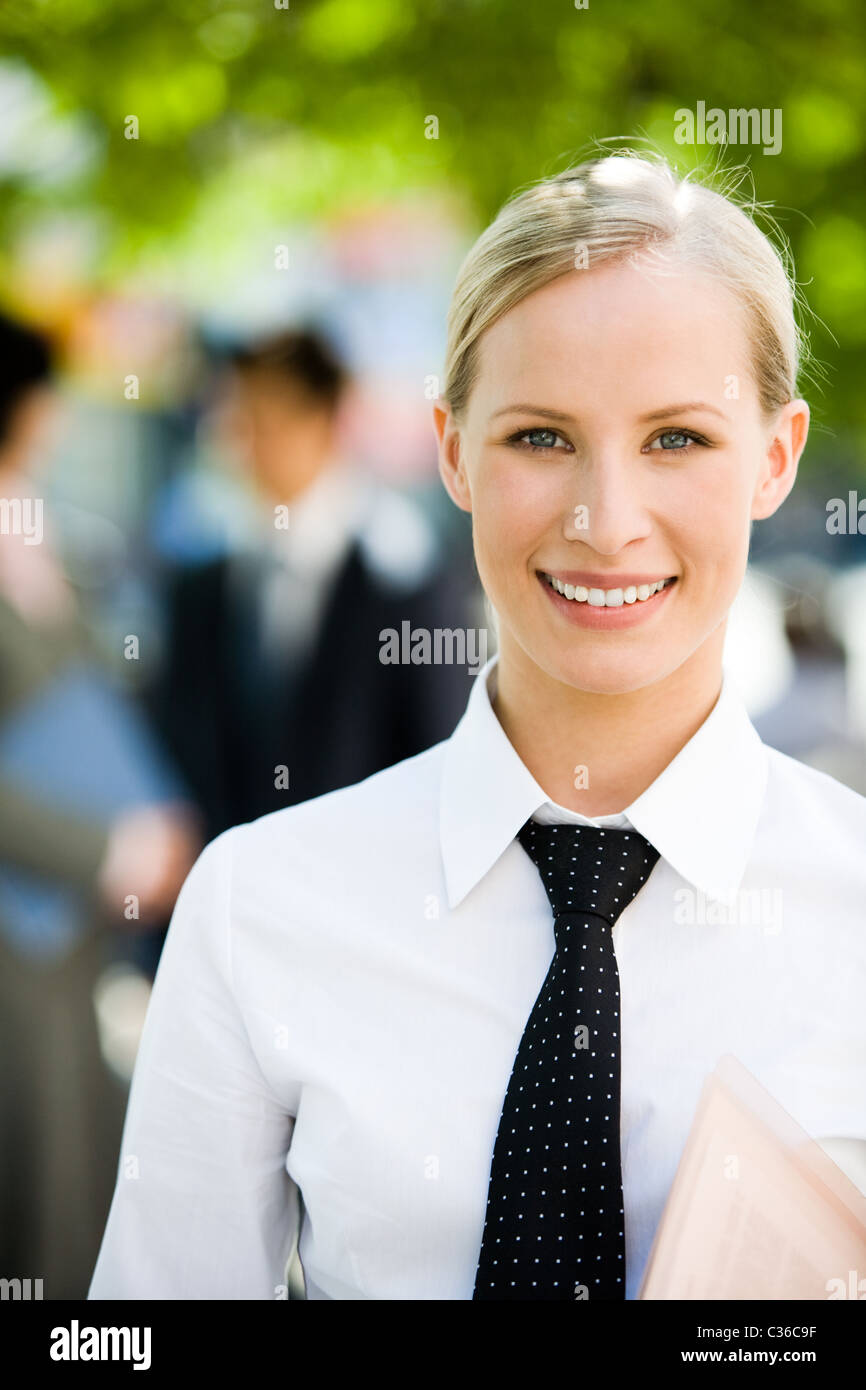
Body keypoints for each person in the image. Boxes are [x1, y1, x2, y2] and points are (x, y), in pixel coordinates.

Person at [88, 152, 865, 1301]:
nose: (606, 522)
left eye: (677, 438)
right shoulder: (261, 904)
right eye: (540, 437)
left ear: (774, 457)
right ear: (450, 450)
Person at [0, 311, 201, 1297]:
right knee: (34, 1196)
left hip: (68, 938)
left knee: (81, 1193)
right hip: (16, 934)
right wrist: (106, 849)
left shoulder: (37, 534)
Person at [146, 327, 477, 845]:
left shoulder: (406, 576)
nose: (246, 442)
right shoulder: (201, 587)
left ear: (324, 420)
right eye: (238, 420)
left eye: (265, 420)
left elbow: (439, 753)